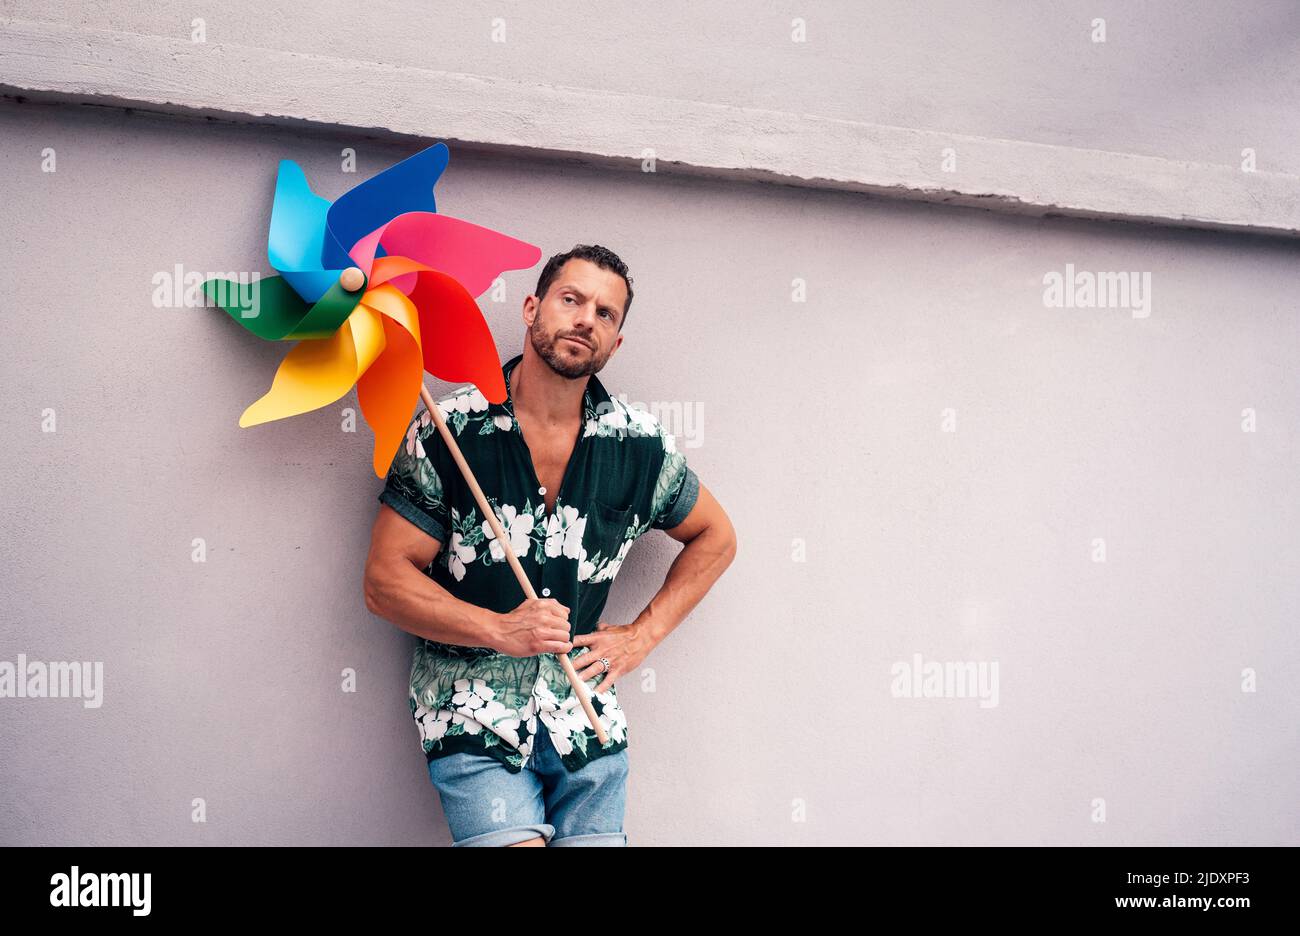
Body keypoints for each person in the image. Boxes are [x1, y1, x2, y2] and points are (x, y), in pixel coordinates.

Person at [363, 244, 738, 846]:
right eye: (572, 299)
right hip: (473, 714)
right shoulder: (448, 429)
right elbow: (384, 582)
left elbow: (716, 538)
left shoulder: (639, 446)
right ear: (533, 308)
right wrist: (498, 628)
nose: (587, 319)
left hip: (586, 724)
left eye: (607, 314)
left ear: (616, 344)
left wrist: (640, 636)